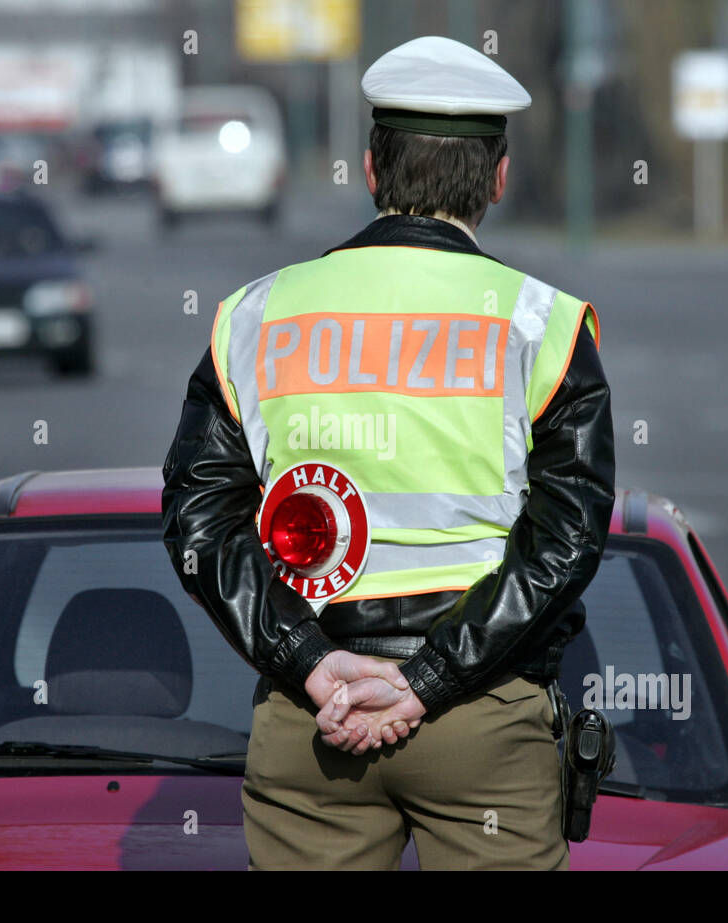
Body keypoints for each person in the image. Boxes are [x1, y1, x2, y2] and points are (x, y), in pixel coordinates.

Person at [162, 36, 615, 869]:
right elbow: (569, 538)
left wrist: (312, 661)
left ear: (371, 169)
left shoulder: (256, 318)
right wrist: (430, 681)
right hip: (481, 722)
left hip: (312, 724)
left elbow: (196, 520)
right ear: (499, 179)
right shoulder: (541, 326)